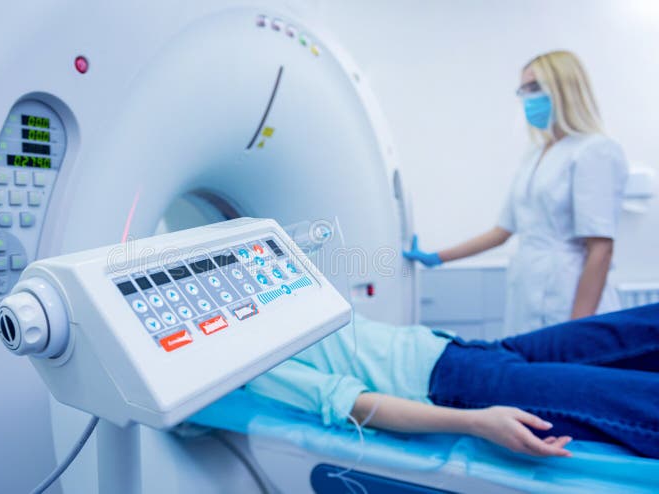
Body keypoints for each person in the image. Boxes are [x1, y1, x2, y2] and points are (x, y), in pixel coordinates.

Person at [246, 304, 659, 459]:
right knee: (636, 401)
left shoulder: (275, 304)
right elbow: (357, 404)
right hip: (459, 388)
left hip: (469, 350)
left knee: (644, 324)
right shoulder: (251, 363)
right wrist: (476, 422)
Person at [404, 51, 629, 334]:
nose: (527, 97)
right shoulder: (536, 154)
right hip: (528, 287)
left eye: (535, 87)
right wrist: (436, 257)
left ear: (564, 88)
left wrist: (576, 330)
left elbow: (600, 248)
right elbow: (502, 231)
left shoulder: (594, 151)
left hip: (573, 296)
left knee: (566, 373)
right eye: (523, 89)